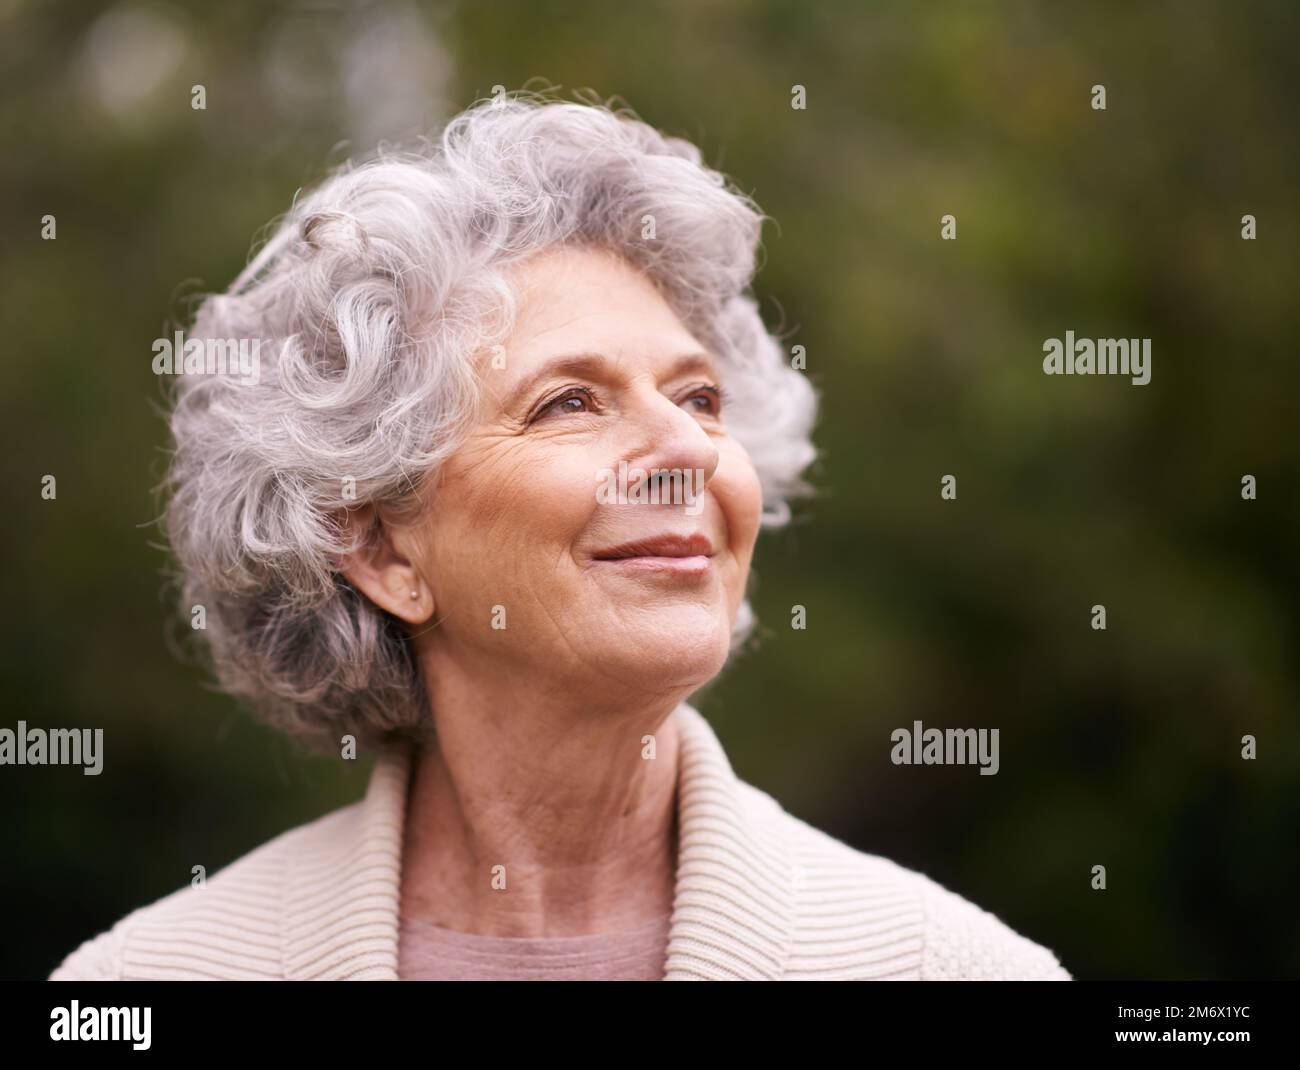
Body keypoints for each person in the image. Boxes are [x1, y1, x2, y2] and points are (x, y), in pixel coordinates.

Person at [50, 92, 1069, 981]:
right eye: (569, 402)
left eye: (701, 396)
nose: (689, 450)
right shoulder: (142, 979)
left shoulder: (955, 968)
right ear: (383, 551)